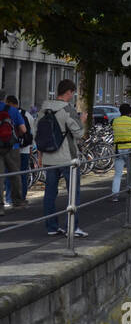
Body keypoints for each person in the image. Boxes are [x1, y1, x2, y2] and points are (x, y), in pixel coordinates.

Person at [35, 79, 88, 236]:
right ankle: (72, 227)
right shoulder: (67, 109)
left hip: (49, 159)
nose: (73, 96)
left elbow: (37, 135)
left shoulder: (42, 110)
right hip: (67, 159)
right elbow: (79, 133)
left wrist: (40, 156)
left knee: (50, 193)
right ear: (68, 92)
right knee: (73, 193)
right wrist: (82, 120)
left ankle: (51, 227)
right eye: (73, 93)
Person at [1, 94, 28, 209]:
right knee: (15, 174)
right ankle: (17, 201)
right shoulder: (12, 110)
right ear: (4, 98)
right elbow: (23, 129)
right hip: (13, 147)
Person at [110, 103, 131, 201]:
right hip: (130, 148)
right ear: (130, 112)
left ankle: (115, 195)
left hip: (118, 149)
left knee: (117, 174)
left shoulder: (115, 121)